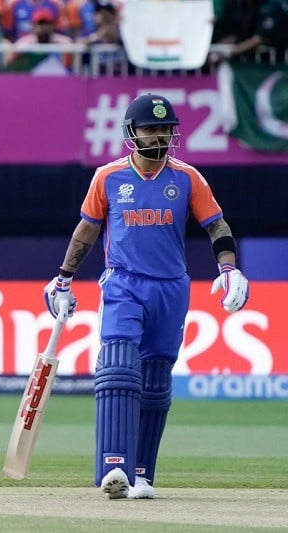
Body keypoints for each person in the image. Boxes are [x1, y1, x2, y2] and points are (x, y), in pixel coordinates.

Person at [44, 93, 250, 500]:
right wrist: (63, 278)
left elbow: (217, 226)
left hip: (171, 287)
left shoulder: (188, 177)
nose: (159, 136)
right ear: (131, 133)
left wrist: (230, 268)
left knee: (156, 381)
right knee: (119, 363)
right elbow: (85, 231)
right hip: (123, 282)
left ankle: (141, 475)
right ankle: (113, 465)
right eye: (151, 129)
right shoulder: (108, 177)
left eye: (165, 129)